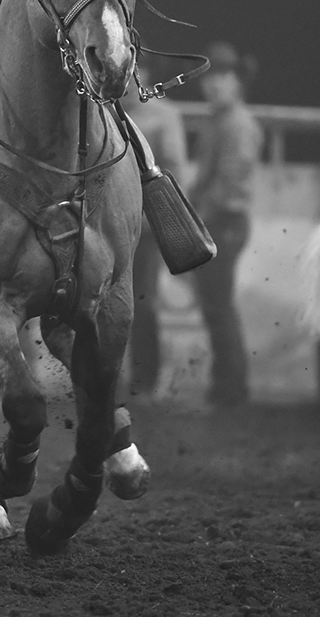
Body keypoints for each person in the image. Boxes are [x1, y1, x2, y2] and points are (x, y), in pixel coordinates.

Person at [189, 41, 261, 407]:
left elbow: (229, 179)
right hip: (219, 219)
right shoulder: (222, 120)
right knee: (216, 304)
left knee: (218, 305)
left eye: (221, 76)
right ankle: (227, 386)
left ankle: (230, 388)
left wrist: (196, 216)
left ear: (236, 81)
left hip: (224, 220)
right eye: (210, 77)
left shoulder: (236, 123)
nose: (213, 84)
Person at [121, 74, 189, 397]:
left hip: (145, 226)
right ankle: (138, 377)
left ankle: (147, 377)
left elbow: (173, 168)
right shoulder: (114, 111)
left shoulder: (162, 116)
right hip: (119, 223)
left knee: (143, 301)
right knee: (128, 302)